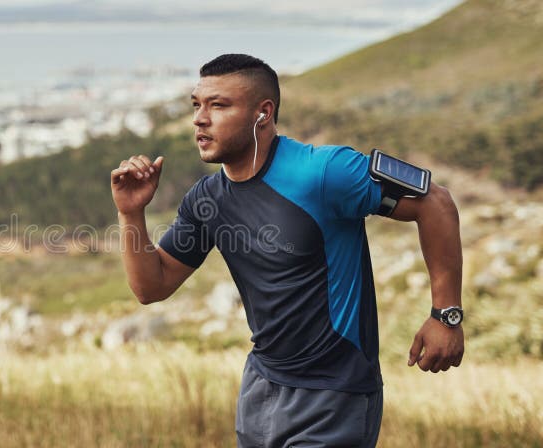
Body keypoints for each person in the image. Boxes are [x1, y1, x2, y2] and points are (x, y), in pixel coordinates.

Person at [109, 53, 464, 447]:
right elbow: (151, 286)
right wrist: (131, 213)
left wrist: (444, 316)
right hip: (260, 389)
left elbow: (436, 203)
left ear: (263, 113)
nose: (200, 118)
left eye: (219, 105)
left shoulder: (325, 172)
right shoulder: (206, 200)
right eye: (197, 105)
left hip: (334, 394)